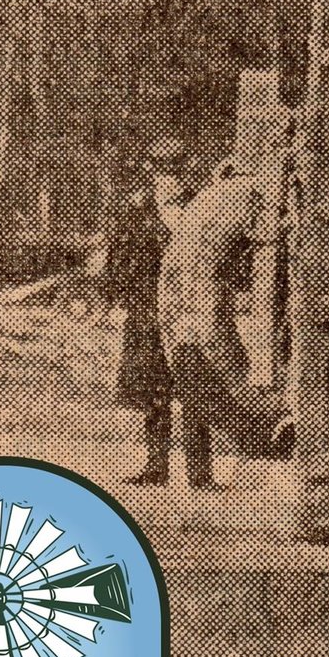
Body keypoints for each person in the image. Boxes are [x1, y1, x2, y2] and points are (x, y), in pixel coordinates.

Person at [157, 162, 265, 491]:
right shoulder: (237, 199)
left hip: (182, 309)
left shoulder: (206, 202)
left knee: (196, 391)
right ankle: (252, 442)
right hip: (190, 311)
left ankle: (201, 473)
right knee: (203, 389)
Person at [103, 140, 185, 484]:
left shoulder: (198, 207)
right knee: (153, 388)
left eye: (174, 168)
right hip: (147, 307)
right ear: (151, 171)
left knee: (195, 383)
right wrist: (115, 298)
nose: (169, 176)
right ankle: (157, 464)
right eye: (161, 168)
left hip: (185, 308)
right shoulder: (137, 211)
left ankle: (199, 470)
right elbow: (119, 256)